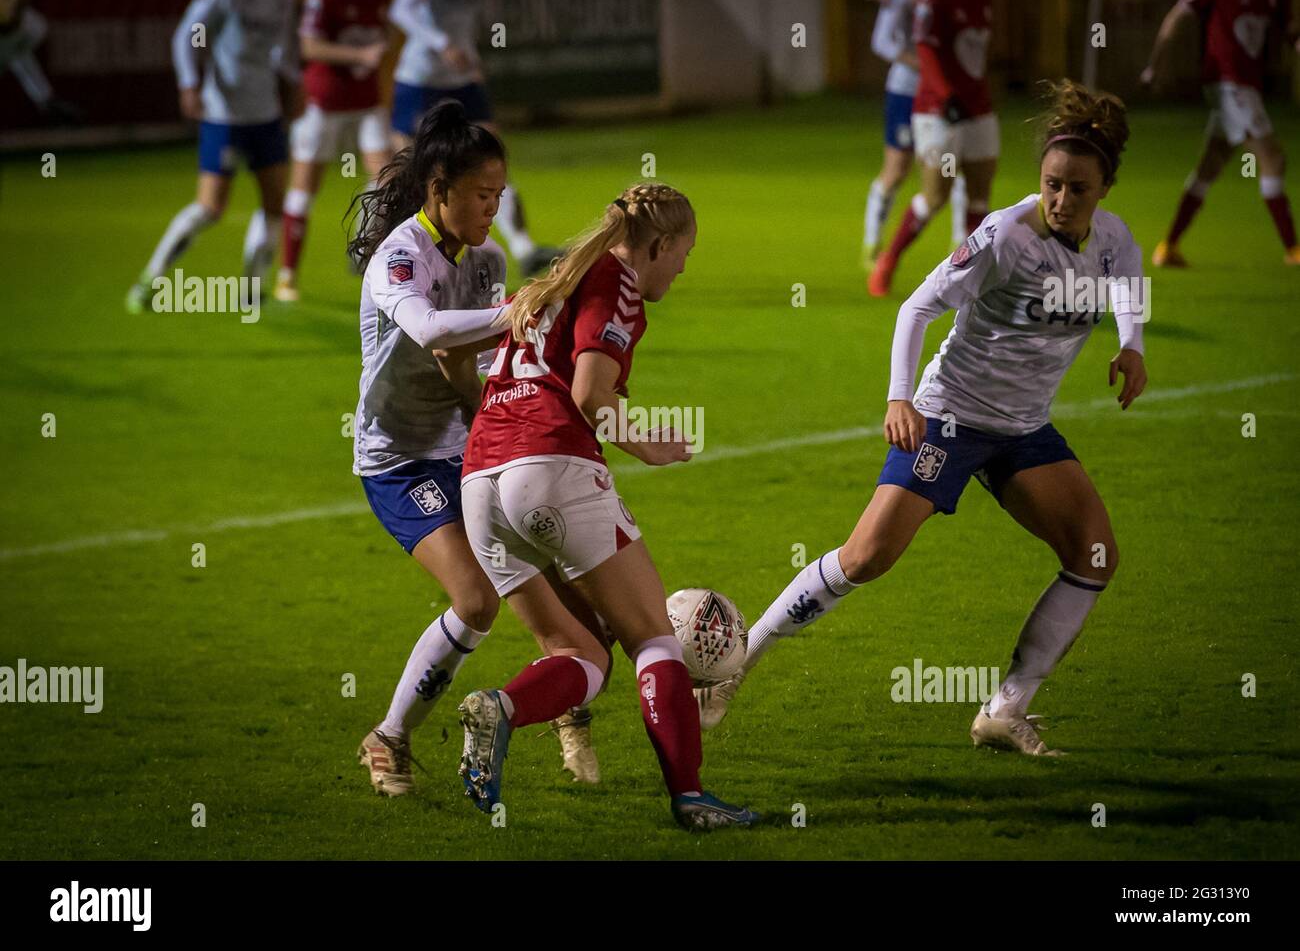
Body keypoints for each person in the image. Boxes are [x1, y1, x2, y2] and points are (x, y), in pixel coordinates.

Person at [699, 82, 1148, 757]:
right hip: (952, 415)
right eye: (1052, 184)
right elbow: (916, 307)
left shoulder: (1113, 241)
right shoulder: (1004, 236)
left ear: (1104, 188)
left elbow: (1126, 288)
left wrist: (1132, 344)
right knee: (866, 556)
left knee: (1094, 554)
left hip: (1023, 429)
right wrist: (899, 397)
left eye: (1077, 189)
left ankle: (1005, 709)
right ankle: (732, 669)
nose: (1060, 200)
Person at [452, 183, 761, 830]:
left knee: (584, 653)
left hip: (480, 480)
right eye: (685, 253)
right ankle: (693, 798)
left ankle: (501, 707)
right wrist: (646, 444)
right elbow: (592, 392)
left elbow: (453, 349)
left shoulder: (553, 281)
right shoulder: (615, 282)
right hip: (549, 465)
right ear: (661, 244)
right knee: (653, 636)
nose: (683, 267)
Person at [347, 101, 598, 795]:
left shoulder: (484, 258)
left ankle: (569, 707)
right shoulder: (399, 259)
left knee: (568, 566)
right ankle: (388, 737)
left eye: (500, 195)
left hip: (469, 440)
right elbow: (431, 331)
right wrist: (516, 309)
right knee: (477, 600)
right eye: (482, 195)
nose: (494, 208)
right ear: (439, 189)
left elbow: (472, 362)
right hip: (400, 457)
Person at [126, 0, 298, 313]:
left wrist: (294, 86)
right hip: (224, 116)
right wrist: (189, 84)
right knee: (210, 207)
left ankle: (253, 288)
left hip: (266, 113)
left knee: (275, 202)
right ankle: (151, 278)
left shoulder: (283, 1)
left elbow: (284, 50)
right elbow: (186, 36)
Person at [387, 0, 559, 276]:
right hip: (420, 79)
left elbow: (463, 22)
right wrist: (442, 43)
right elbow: (400, 10)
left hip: (462, 80)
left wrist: (471, 56)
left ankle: (524, 249)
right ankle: (382, 239)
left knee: (492, 157)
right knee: (411, 167)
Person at [1142, 0, 1299, 267]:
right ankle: (1293, 250)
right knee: (1273, 158)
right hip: (1230, 84)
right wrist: (1156, 65)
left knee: (1210, 166)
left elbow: (1291, 31)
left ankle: (1168, 247)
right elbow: (1177, 18)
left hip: (1244, 87)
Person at [868, 0, 996, 297]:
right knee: (935, 197)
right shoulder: (934, 2)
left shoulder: (985, 2)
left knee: (979, 198)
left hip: (978, 107)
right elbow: (925, 50)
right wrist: (945, 95)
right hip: (937, 110)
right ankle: (888, 260)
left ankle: (966, 277)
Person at [273, 0, 393, 303]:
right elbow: (309, 46)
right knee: (303, 191)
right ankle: (287, 276)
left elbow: (390, 34)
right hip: (322, 104)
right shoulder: (323, 0)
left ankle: (361, 243)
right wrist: (360, 54)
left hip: (367, 101)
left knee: (389, 178)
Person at [862, 0, 967, 270]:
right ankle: (873, 246)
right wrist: (924, 65)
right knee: (897, 170)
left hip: (943, 94)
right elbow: (881, 42)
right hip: (906, 92)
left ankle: (962, 244)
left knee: (954, 166)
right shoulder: (904, 1)